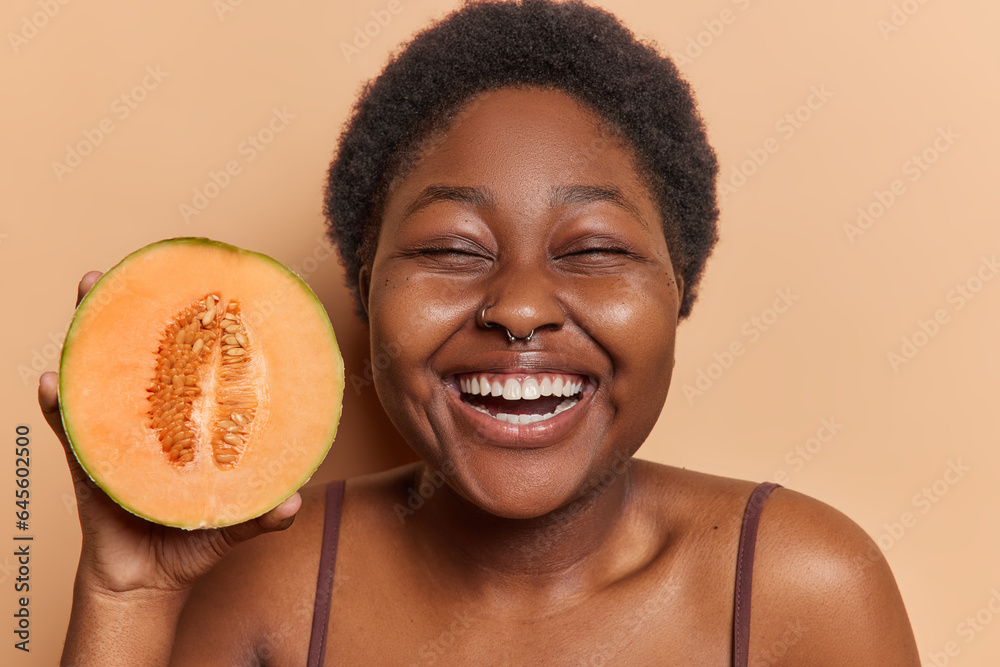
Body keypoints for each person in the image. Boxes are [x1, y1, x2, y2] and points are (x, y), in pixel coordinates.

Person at [40, 1, 921, 664]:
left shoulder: (802, 590)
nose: (522, 307)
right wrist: (129, 590)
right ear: (364, 292)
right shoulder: (268, 584)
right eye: (450, 249)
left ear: (677, 289)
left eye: (596, 248)